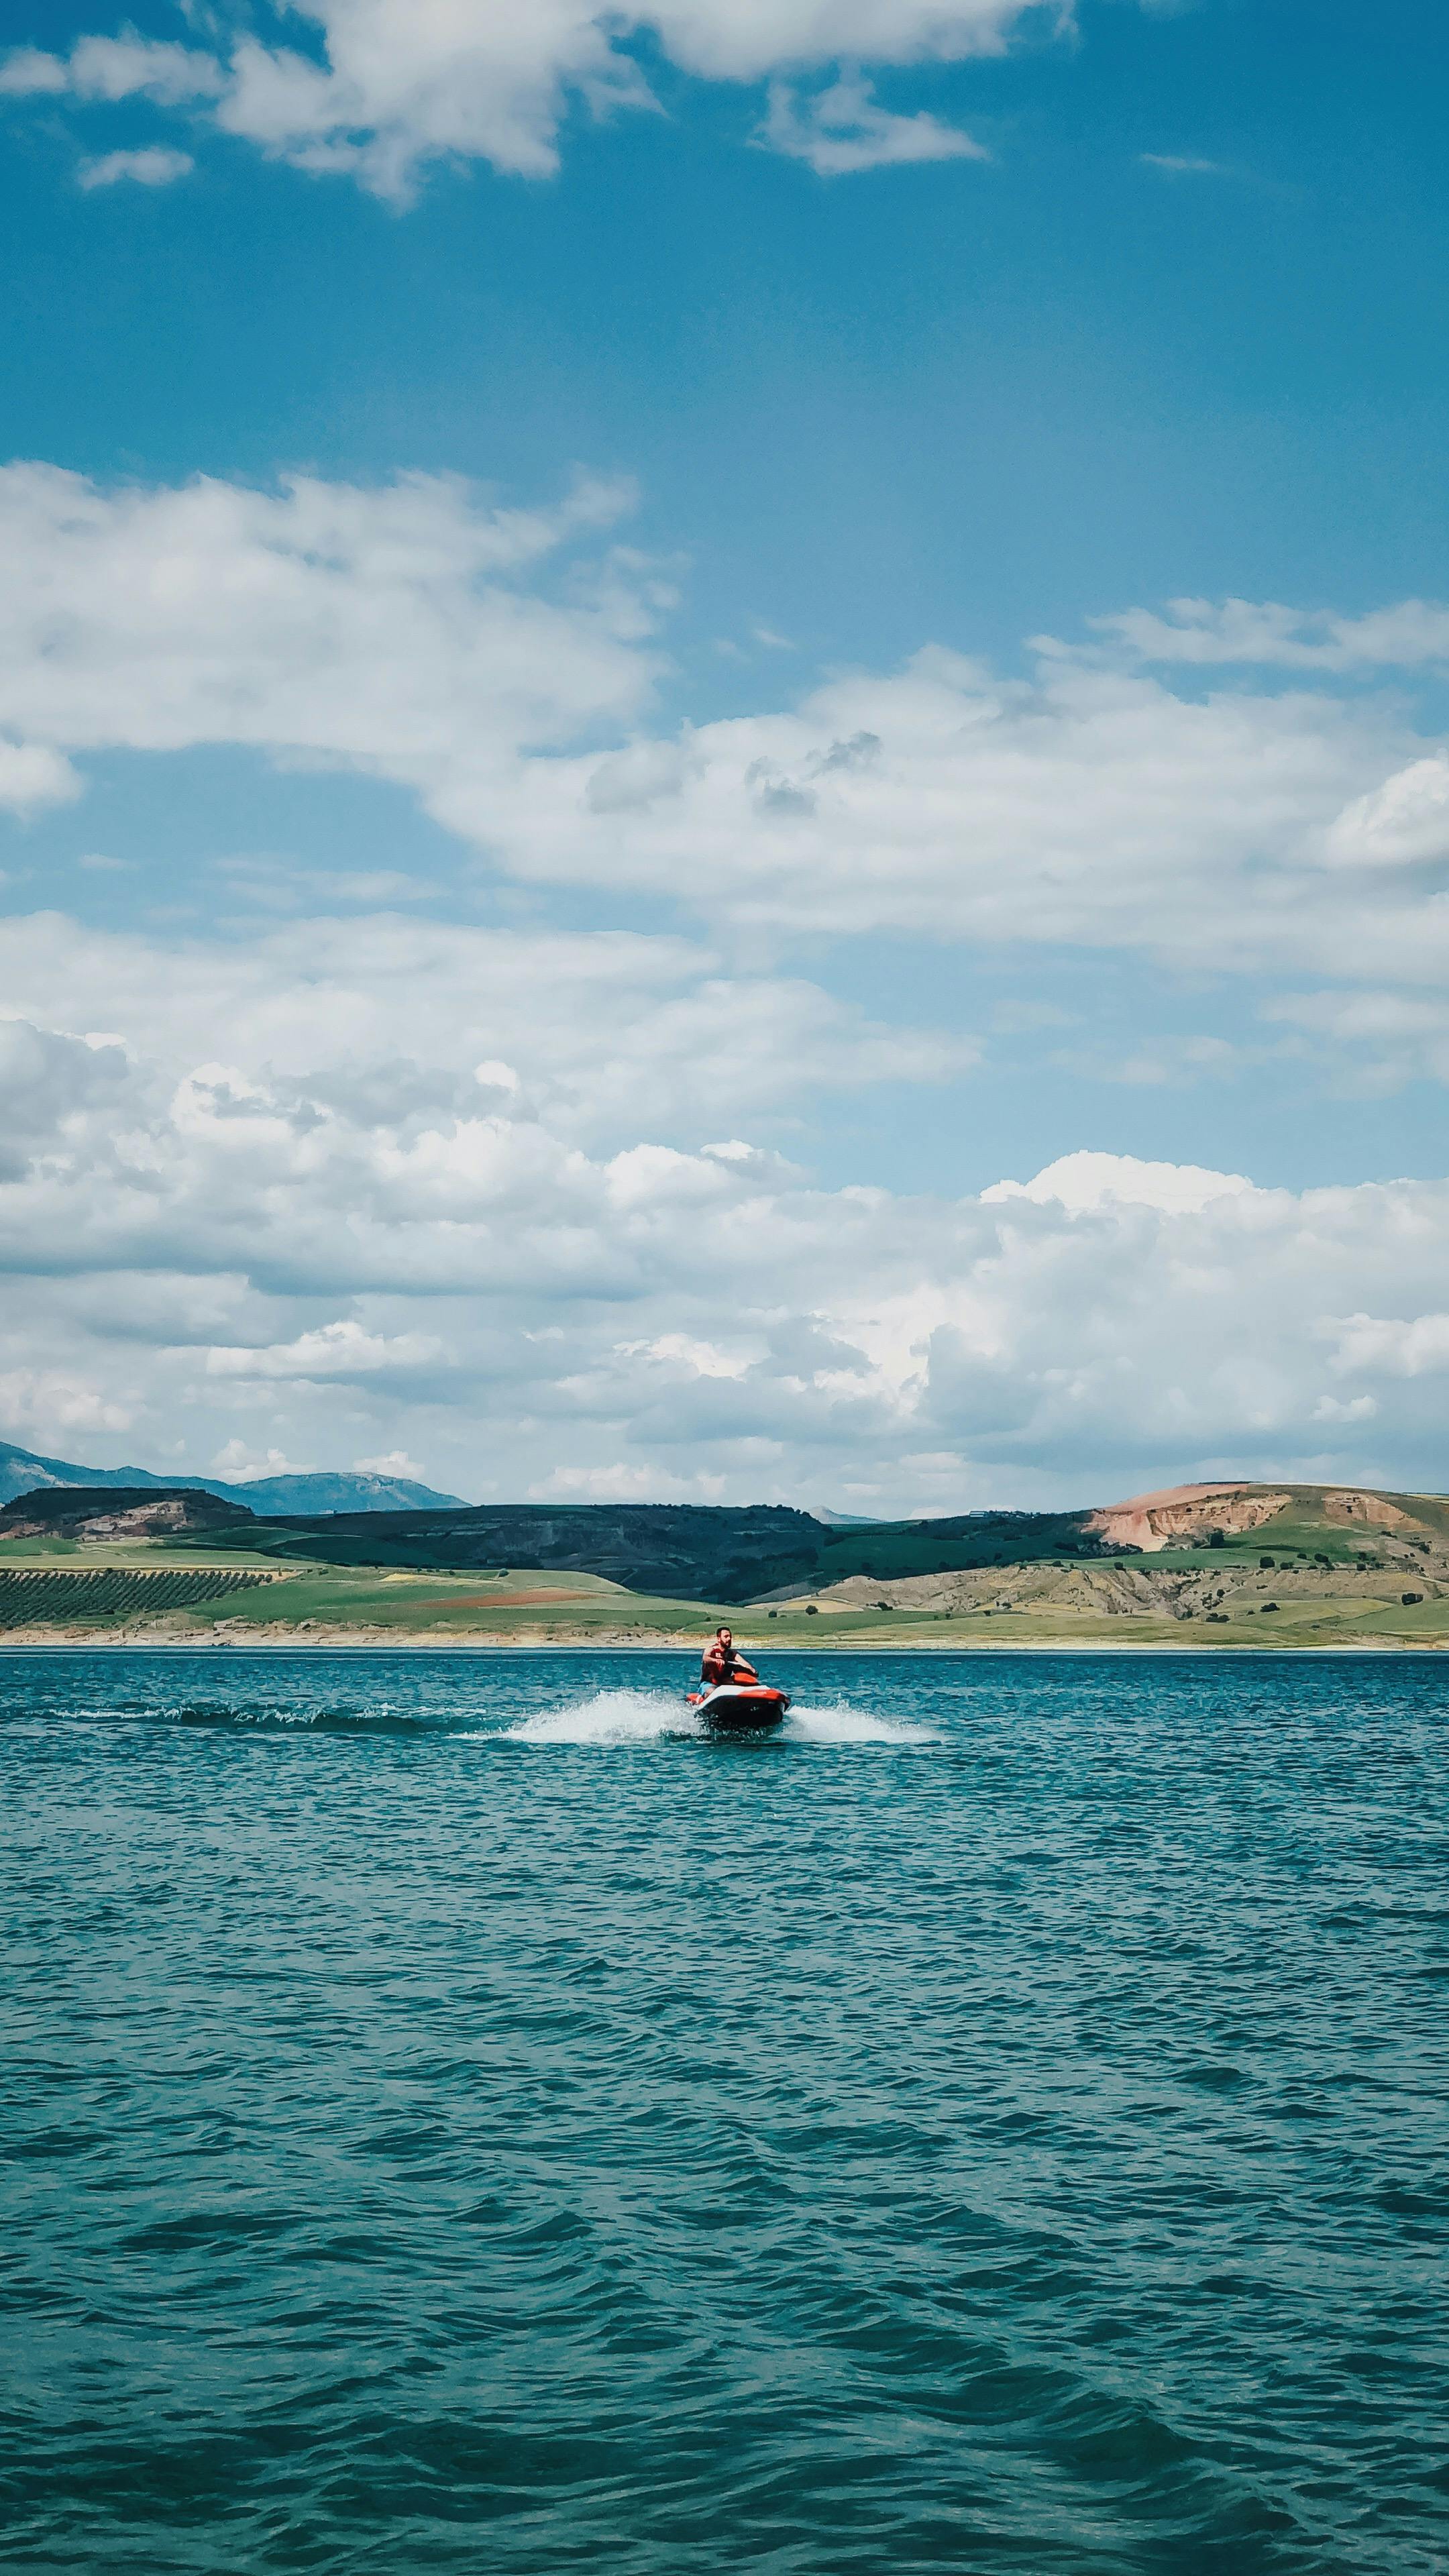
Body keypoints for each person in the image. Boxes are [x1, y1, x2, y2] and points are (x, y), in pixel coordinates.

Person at [700, 1625, 758, 1689]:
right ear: (719, 1639)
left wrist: (752, 1669)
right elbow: (705, 1658)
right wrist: (715, 1660)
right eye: (726, 1637)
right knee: (711, 1690)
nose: (729, 1639)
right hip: (709, 1683)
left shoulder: (732, 1653)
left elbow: (745, 1663)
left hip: (725, 1683)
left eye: (730, 1636)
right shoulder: (711, 1649)